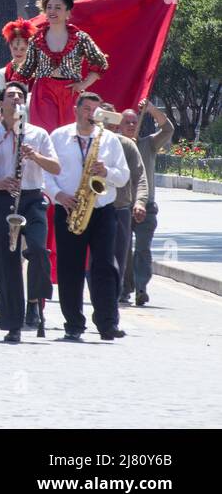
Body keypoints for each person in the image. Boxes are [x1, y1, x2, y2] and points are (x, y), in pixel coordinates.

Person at [0, 82, 59, 342]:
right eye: (10, 96)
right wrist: (0, 183)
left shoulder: (39, 134)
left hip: (32, 198)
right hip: (2, 197)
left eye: (20, 96)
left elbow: (55, 167)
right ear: (0, 103)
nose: (15, 99)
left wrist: (35, 156)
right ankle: (12, 324)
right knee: (5, 261)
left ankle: (35, 300)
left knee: (37, 249)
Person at [46, 91, 131, 342]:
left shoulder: (109, 139)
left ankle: (107, 322)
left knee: (105, 265)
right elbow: (46, 173)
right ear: (76, 109)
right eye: (86, 109)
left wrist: (107, 171)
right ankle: (73, 322)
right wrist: (58, 194)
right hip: (69, 207)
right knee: (69, 268)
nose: (91, 114)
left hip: (102, 208)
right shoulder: (59, 137)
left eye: (95, 110)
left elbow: (123, 176)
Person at [13, 0, 108, 132]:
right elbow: (25, 71)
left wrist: (83, 84)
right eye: (49, 7)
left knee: (69, 134)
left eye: (58, 7)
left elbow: (100, 62)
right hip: (44, 92)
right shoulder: (37, 39)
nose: (52, 11)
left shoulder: (80, 38)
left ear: (67, 13)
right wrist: (12, 92)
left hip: (70, 92)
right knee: (47, 133)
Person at [123, 100, 173, 306]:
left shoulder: (148, 144)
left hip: (146, 207)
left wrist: (151, 109)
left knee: (142, 248)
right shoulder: (113, 145)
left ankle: (141, 288)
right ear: (119, 126)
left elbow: (168, 129)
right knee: (123, 250)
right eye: (127, 123)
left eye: (134, 122)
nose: (132, 126)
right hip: (122, 207)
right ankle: (125, 288)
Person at [100, 103, 148, 307]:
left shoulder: (127, 145)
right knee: (96, 256)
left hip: (119, 208)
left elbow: (140, 177)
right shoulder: (85, 142)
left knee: (120, 254)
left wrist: (140, 202)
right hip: (93, 207)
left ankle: (116, 292)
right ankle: (100, 291)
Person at [0, 18, 35, 100]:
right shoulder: (2, 74)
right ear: (10, 47)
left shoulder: (38, 73)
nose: (18, 52)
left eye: (23, 49)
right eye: (15, 48)